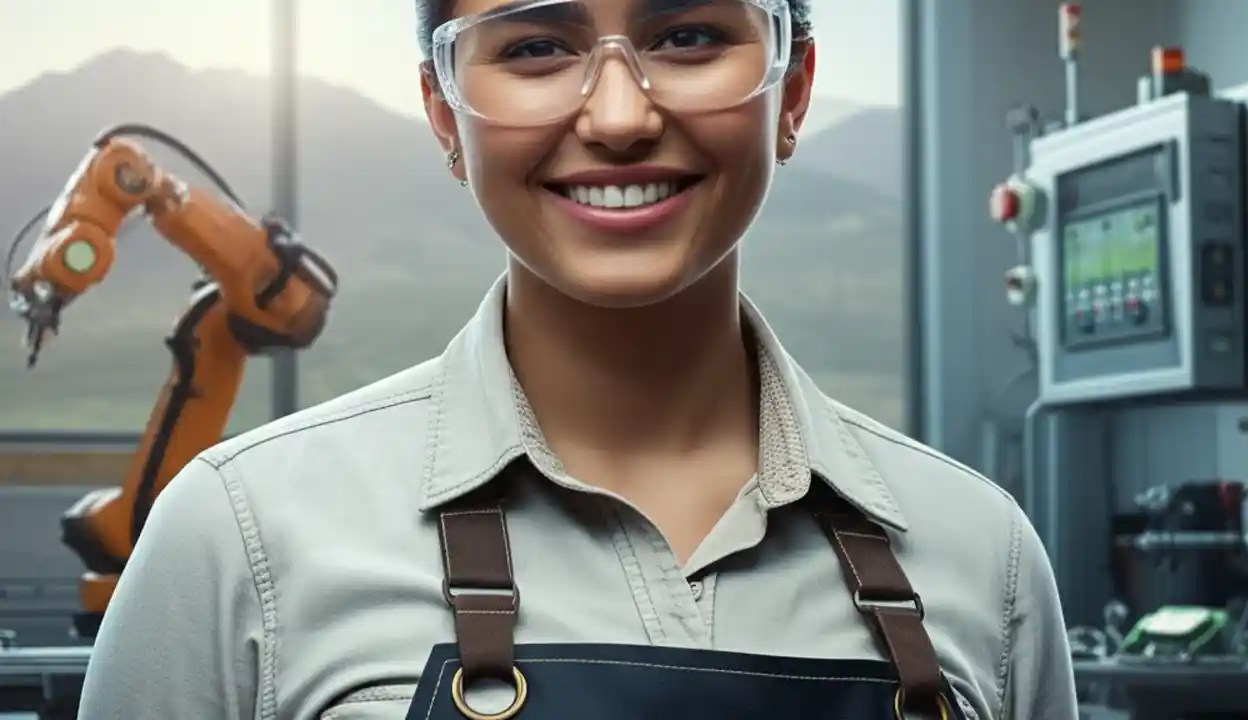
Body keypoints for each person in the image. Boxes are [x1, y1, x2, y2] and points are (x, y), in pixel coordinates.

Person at [77, 0, 1078, 718]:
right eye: (535, 45)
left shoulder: (977, 555)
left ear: (792, 87)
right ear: (443, 115)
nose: (616, 117)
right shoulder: (238, 540)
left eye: (686, 36)